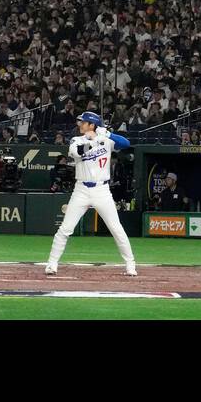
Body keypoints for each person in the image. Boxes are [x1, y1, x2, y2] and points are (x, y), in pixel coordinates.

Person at [45, 111, 137, 277]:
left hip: (102, 190)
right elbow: (78, 152)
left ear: (92, 124)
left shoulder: (106, 139)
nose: (80, 124)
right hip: (81, 190)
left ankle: (130, 265)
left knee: (116, 228)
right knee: (65, 229)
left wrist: (108, 134)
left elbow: (126, 143)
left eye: (83, 122)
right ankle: (52, 264)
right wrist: (95, 141)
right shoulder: (76, 140)